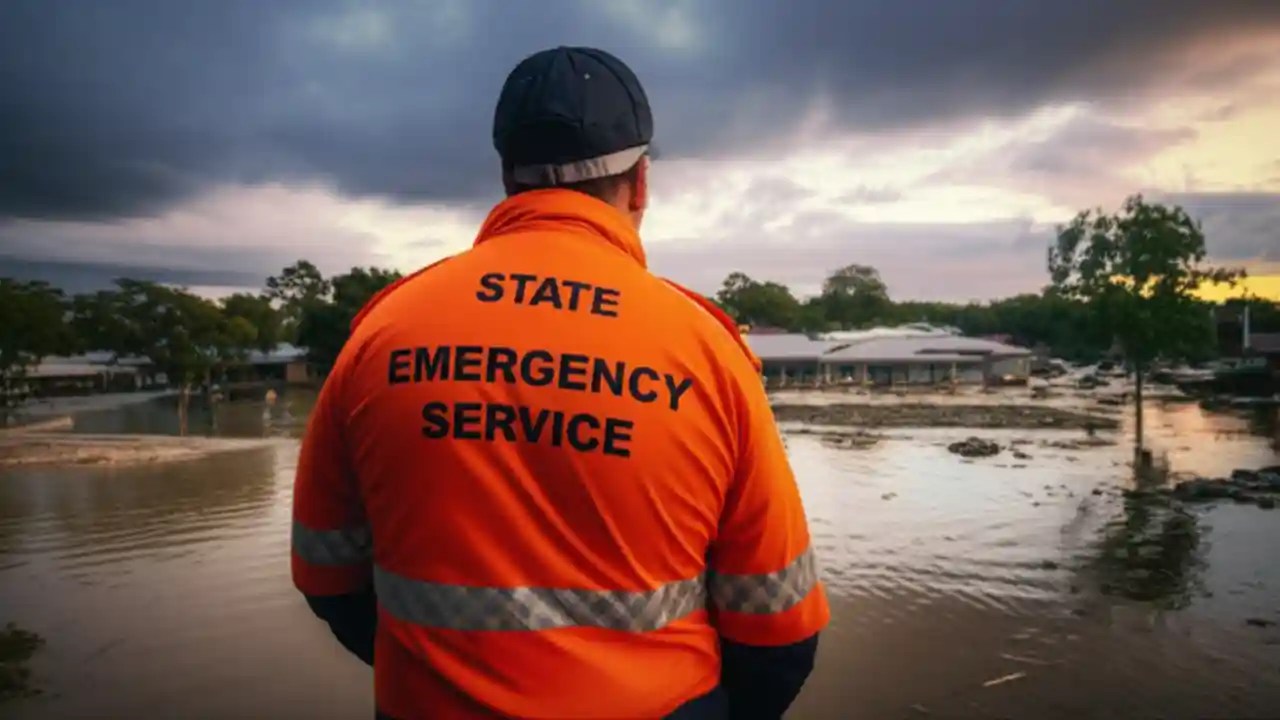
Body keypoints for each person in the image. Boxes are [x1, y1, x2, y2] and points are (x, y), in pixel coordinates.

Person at [291, 46, 829, 720]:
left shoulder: (381, 333)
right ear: (641, 184)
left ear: (507, 176)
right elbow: (779, 628)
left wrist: (448, 680)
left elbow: (328, 578)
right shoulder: (705, 349)